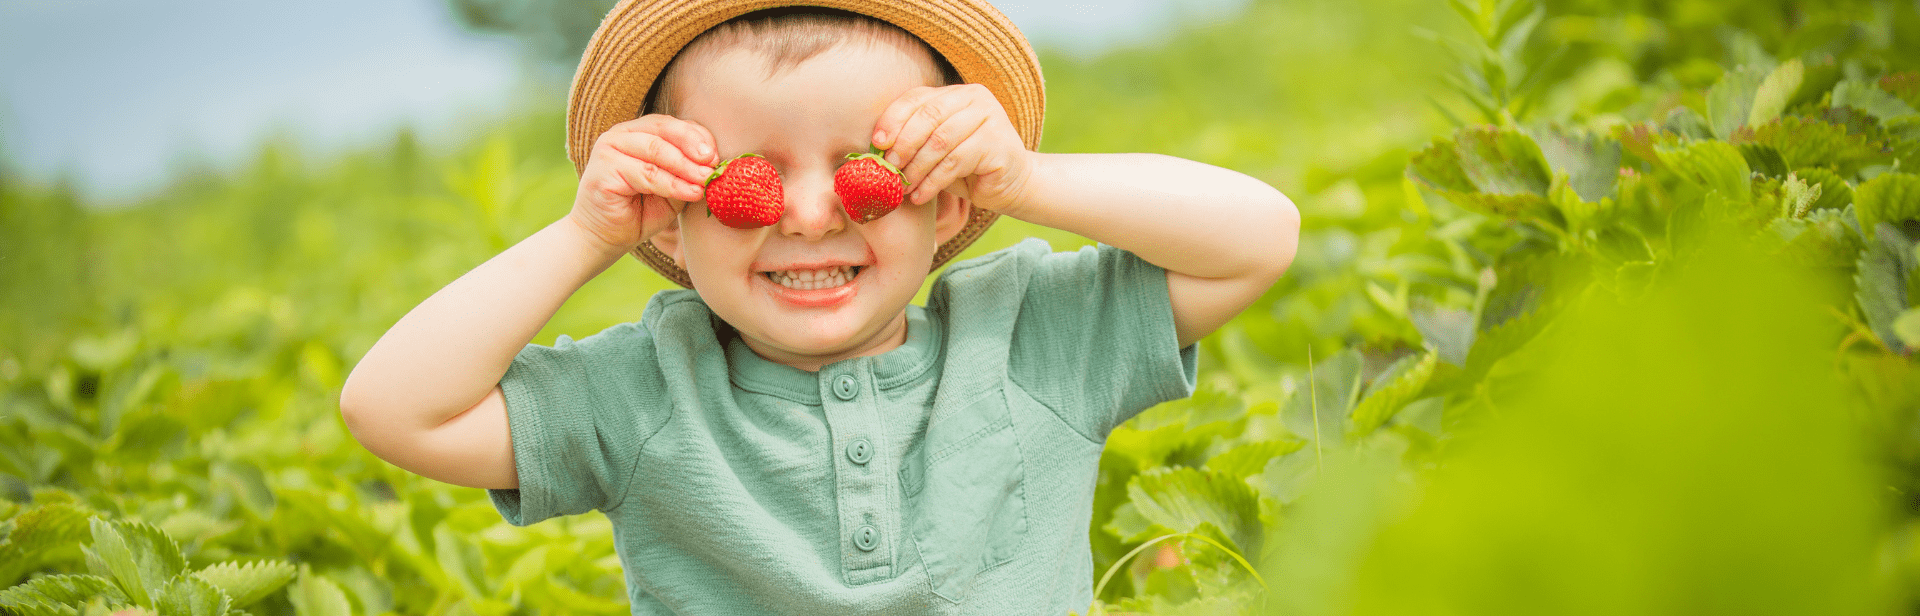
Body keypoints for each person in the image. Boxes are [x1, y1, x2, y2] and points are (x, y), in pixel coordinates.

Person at [339, 0, 1298, 613]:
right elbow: (391, 409)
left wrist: (1029, 178)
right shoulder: (645, 394)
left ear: (954, 198)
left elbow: (1260, 238)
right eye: (744, 176)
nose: (805, 215)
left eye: (867, 170)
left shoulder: (1028, 339)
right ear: (666, 226)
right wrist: (585, 235)